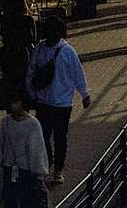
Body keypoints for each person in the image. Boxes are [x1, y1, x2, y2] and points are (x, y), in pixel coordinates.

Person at [25, 17, 91, 186]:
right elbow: (31, 73)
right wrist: (84, 94)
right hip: (48, 102)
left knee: (58, 137)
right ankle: (49, 165)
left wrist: (84, 93)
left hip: (58, 103)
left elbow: (77, 74)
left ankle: (56, 168)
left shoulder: (65, 51)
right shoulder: (42, 50)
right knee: (45, 136)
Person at [0, 90, 49, 208]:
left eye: (16, 102)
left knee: (26, 199)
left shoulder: (32, 124)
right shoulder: (6, 122)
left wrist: (39, 172)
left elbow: (37, 150)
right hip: (10, 167)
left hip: (26, 169)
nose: (13, 105)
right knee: (10, 199)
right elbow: (0, 143)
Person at [0, 0, 37, 100]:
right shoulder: (28, 20)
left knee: (9, 81)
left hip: (8, 53)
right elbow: (33, 38)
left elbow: (3, 35)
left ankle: (11, 104)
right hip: (24, 54)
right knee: (24, 82)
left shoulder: (5, 20)